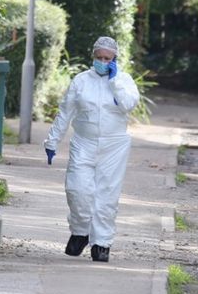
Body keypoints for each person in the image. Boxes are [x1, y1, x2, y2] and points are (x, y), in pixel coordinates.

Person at [43, 36, 140, 262]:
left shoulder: (124, 80)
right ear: (93, 56)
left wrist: (114, 82)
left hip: (114, 145)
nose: (103, 62)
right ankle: (80, 232)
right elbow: (65, 112)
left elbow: (128, 105)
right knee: (77, 189)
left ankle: (102, 243)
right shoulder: (81, 81)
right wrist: (52, 141)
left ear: (115, 59)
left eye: (108, 58)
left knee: (107, 194)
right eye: (99, 57)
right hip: (84, 142)